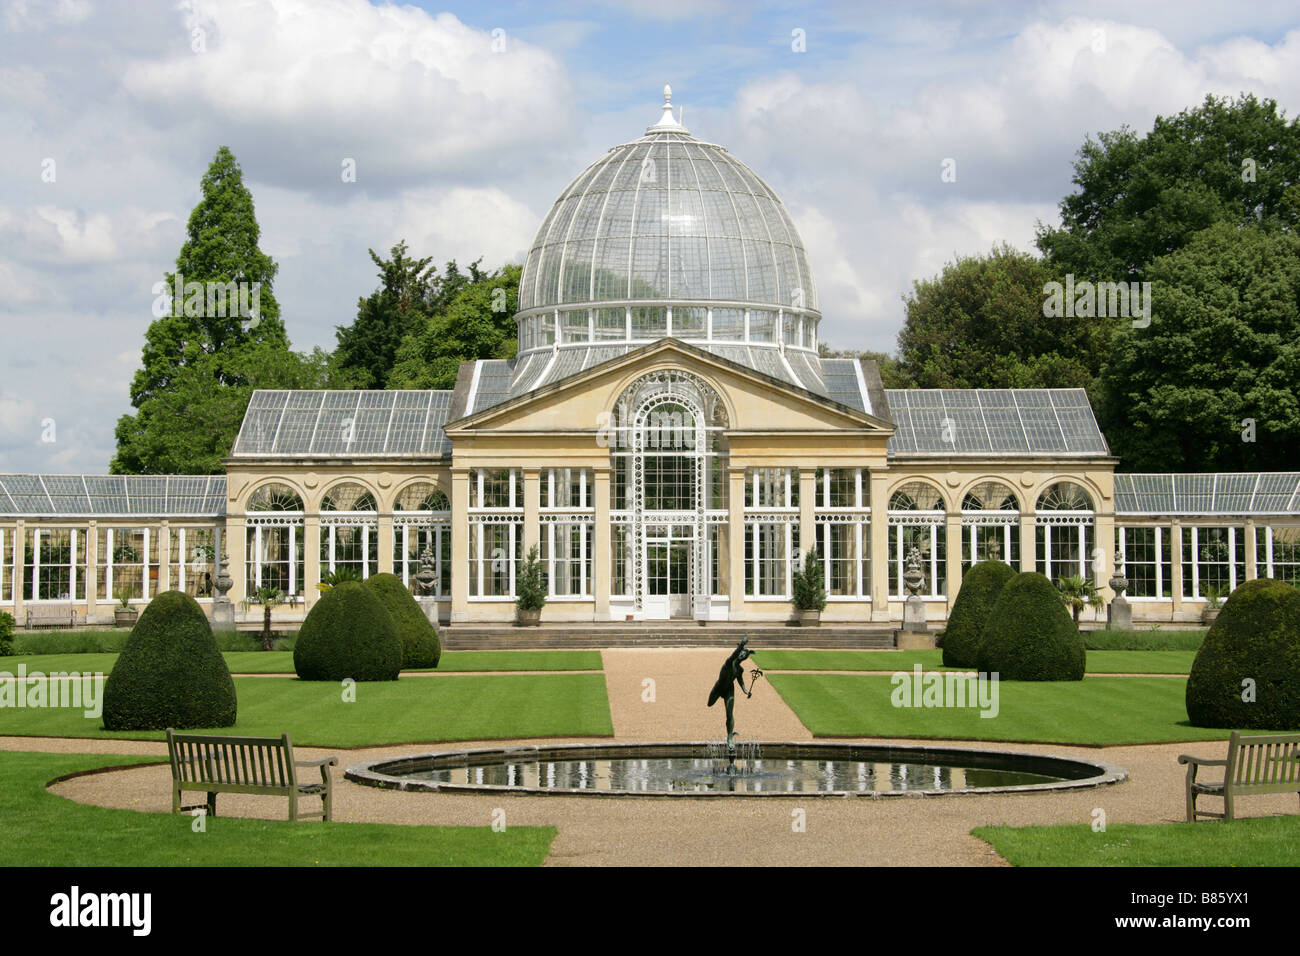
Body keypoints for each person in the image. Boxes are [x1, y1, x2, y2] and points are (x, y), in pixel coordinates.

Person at [707, 636, 760, 748]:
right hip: (719, 687)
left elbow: (740, 681)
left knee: (730, 714)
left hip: (729, 689)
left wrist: (746, 691)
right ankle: (730, 734)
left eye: (744, 655)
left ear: (745, 658)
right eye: (741, 653)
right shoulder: (729, 662)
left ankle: (730, 737)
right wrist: (742, 644)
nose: (742, 656)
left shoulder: (740, 670)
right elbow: (734, 654)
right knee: (709, 704)